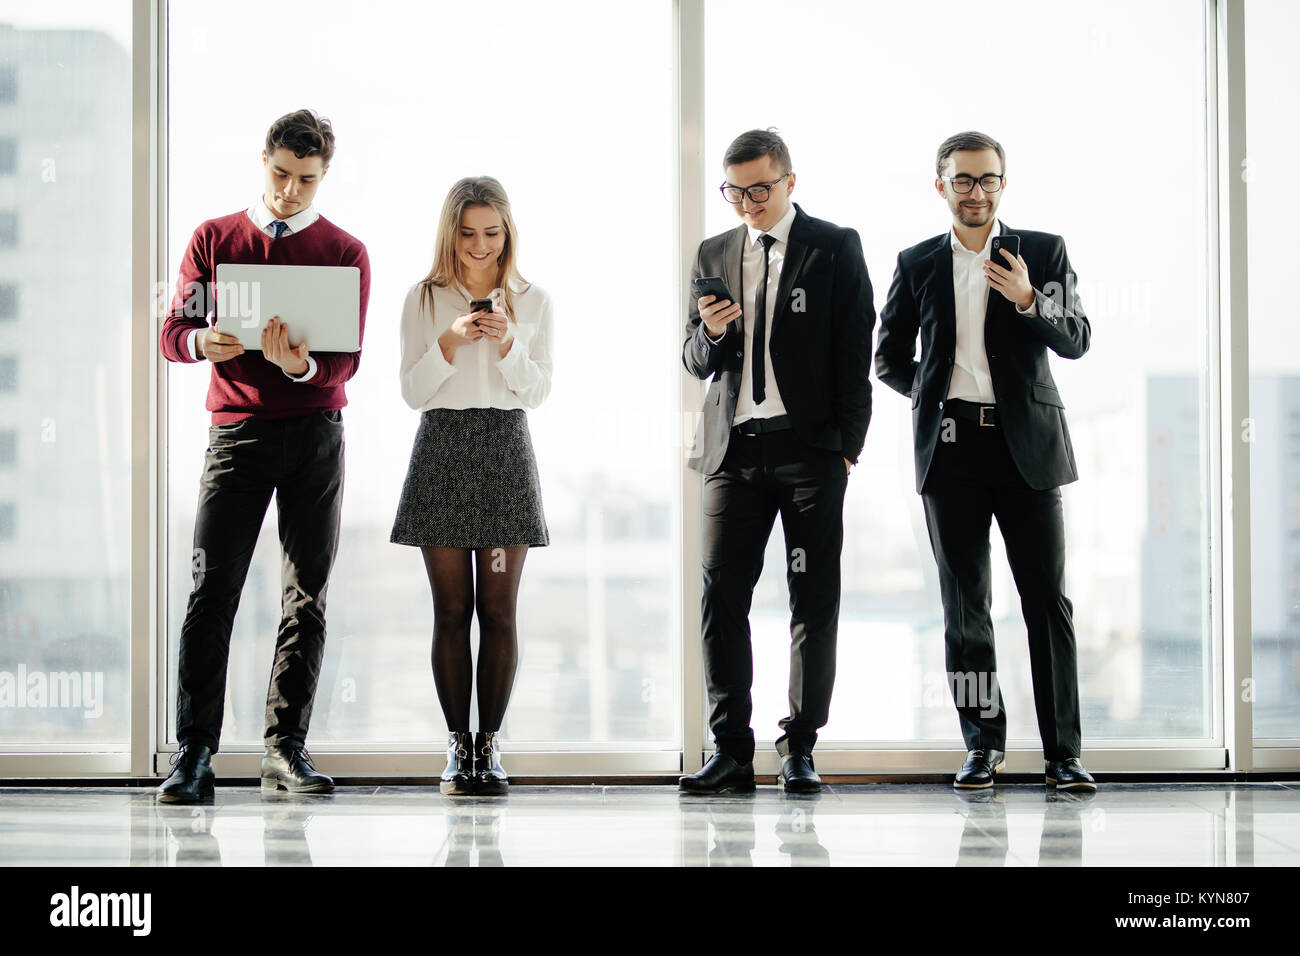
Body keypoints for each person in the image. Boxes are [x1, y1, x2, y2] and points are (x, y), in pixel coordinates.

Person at [157, 109, 371, 803]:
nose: (288, 191)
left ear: (324, 175)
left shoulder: (346, 251)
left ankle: (285, 751)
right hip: (238, 435)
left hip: (315, 436)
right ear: (263, 160)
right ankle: (193, 754)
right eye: (280, 174)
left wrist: (304, 368)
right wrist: (201, 344)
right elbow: (171, 331)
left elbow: (345, 367)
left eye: (305, 180)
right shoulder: (214, 238)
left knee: (305, 597)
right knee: (210, 593)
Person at [875, 130, 1096, 791]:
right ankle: (983, 746)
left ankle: (1064, 755)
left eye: (988, 180)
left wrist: (1030, 297)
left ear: (1004, 184)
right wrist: (936, 395)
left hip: (1028, 448)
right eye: (963, 180)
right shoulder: (916, 263)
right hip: (952, 453)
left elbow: (1078, 338)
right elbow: (887, 359)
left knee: (1046, 601)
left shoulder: (1043, 251)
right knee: (965, 606)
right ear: (940, 185)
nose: (976, 192)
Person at [679, 129, 875, 794]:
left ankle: (799, 747)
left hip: (809, 448)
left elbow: (855, 351)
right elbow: (694, 360)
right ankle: (731, 749)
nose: (746, 203)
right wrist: (710, 331)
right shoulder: (714, 251)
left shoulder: (835, 247)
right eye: (734, 191)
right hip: (733, 449)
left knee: (812, 599)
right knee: (720, 596)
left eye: (759, 189)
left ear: (791, 181)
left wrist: (848, 445)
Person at [391, 176, 552, 796]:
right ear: (449, 233)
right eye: (466, 233)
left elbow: (536, 392)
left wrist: (509, 342)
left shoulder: (535, 300)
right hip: (443, 449)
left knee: (499, 610)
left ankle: (492, 747)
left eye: (491, 232)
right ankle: (459, 749)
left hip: (506, 451)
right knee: (452, 610)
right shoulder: (423, 298)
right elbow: (411, 391)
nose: (479, 245)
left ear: (507, 231)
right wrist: (450, 341)